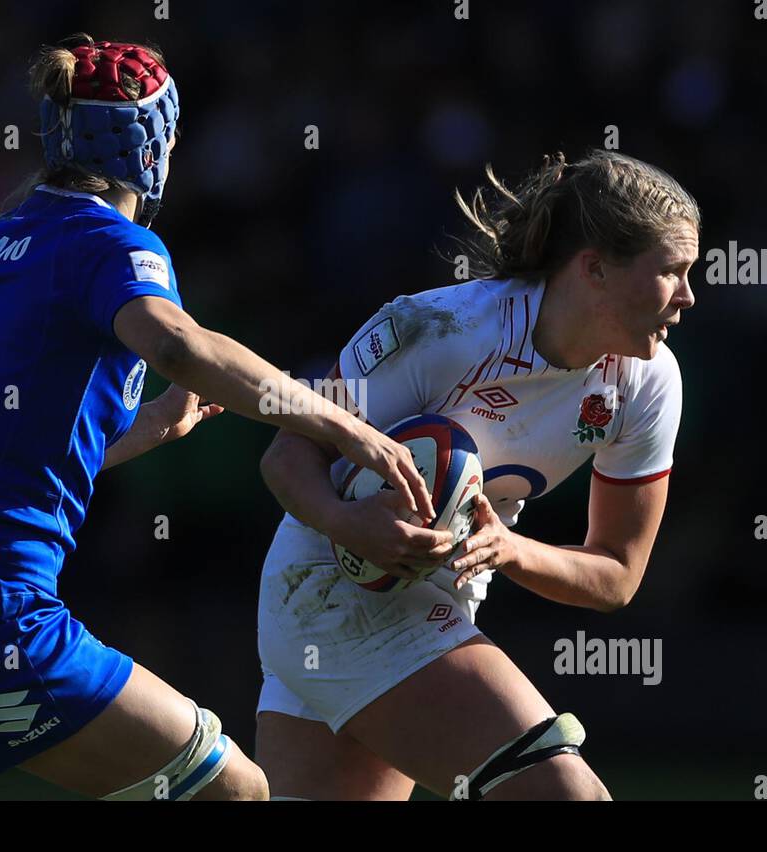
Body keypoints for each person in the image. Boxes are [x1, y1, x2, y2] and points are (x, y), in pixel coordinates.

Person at [0, 34, 431, 802]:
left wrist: (146, 428)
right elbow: (178, 343)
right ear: (149, 147)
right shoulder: (111, 242)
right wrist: (346, 426)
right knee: (238, 792)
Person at [255, 149, 699, 800]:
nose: (689, 295)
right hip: (329, 591)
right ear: (595, 267)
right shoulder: (438, 329)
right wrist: (352, 522)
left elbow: (616, 574)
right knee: (569, 797)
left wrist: (508, 548)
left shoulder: (648, 382)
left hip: (436, 600)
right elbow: (288, 456)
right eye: (673, 272)